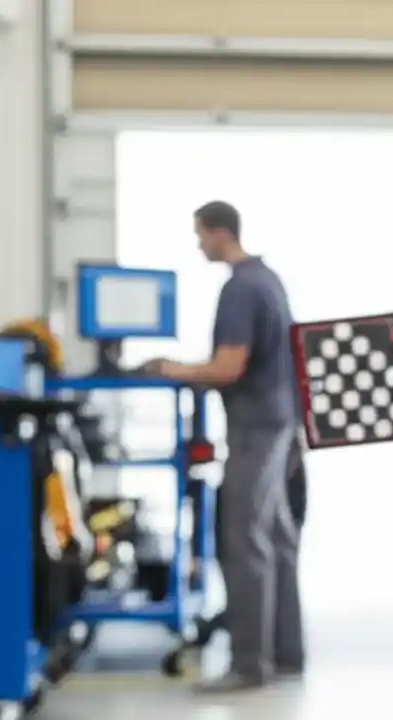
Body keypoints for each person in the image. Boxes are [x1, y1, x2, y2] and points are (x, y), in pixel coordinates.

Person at [146, 200, 305, 693]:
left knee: (243, 541)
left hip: (255, 427)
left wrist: (173, 369)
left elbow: (228, 367)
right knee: (276, 539)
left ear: (219, 233)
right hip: (282, 422)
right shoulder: (269, 278)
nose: (199, 246)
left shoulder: (240, 288)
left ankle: (248, 665)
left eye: (200, 236)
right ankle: (286, 655)